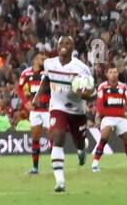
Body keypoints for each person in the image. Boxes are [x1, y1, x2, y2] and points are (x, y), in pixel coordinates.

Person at [35, 35, 94, 193]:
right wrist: (37, 97)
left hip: (77, 110)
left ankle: (82, 150)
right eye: (61, 43)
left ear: (72, 48)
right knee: (57, 136)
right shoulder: (49, 63)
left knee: (79, 143)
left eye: (67, 43)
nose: (63, 45)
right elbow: (46, 80)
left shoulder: (81, 68)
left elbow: (91, 91)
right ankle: (60, 181)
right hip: (57, 106)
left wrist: (85, 93)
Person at [90, 65, 127, 172]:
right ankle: (95, 164)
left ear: (118, 74)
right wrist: (98, 116)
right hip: (108, 117)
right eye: (111, 72)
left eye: (115, 72)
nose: (113, 74)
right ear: (107, 75)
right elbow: (99, 103)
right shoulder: (102, 87)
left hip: (121, 117)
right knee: (104, 137)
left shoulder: (123, 87)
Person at [17, 52, 49, 174]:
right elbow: (19, 89)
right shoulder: (26, 73)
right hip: (35, 111)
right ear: (36, 60)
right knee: (35, 138)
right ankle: (35, 168)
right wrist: (25, 102)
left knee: (52, 137)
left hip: (48, 110)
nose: (45, 60)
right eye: (42, 58)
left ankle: (57, 165)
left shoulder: (48, 73)